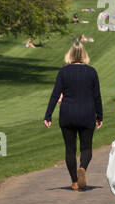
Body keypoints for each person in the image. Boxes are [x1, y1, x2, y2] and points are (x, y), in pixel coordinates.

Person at [44, 42, 104, 191]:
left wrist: (48, 115)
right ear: (84, 55)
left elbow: (55, 94)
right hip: (87, 113)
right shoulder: (92, 72)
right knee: (86, 147)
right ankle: (82, 167)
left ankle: (74, 181)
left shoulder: (63, 72)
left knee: (70, 149)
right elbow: (97, 96)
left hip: (67, 113)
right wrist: (100, 116)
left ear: (69, 54)